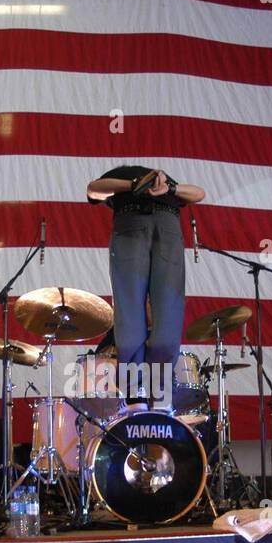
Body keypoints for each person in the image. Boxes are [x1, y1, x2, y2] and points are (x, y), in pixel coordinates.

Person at [86, 166, 205, 405]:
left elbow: (198, 193)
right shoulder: (121, 173)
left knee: (168, 315)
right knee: (129, 318)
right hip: (130, 220)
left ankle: (161, 396)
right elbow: (94, 190)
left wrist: (170, 187)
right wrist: (132, 184)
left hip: (167, 224)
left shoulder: (167, 183)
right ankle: (135, 396)